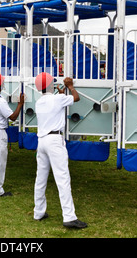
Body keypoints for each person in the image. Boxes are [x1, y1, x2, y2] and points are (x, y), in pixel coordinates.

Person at [33, 73, 87, 229]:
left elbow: (57, 105)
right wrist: (70, 87)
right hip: (55, 141)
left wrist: (61, 94)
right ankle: (69, 217)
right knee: (62, 178)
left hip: (41, 141)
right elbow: (76, 98)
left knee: (40, 178)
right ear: (51, 86)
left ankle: (39, 212)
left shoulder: (40, 102)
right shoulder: (57, 99)